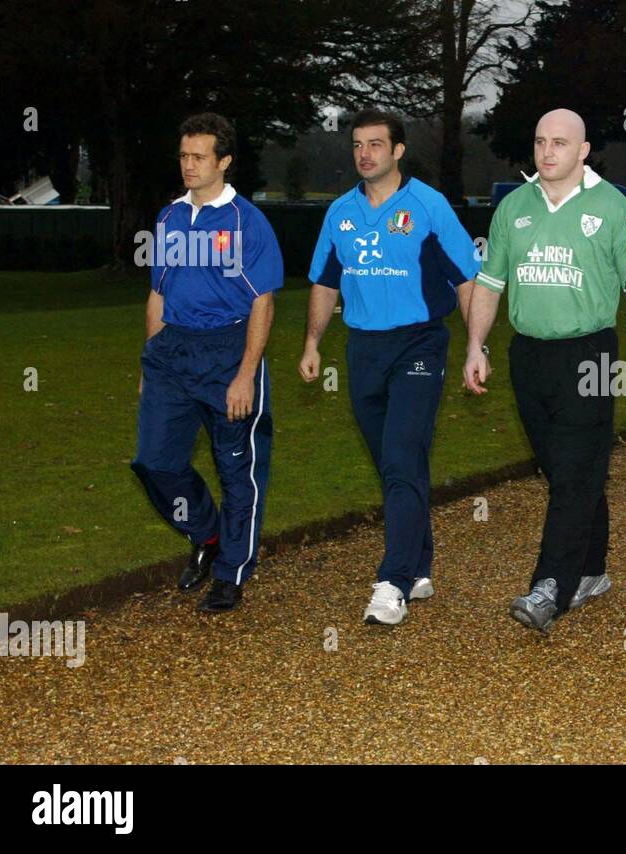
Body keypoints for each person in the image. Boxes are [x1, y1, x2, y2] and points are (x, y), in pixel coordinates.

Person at [300, 109, 480, 626]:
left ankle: (393, 581)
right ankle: (419, 563)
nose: (365, 154)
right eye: (358, 145)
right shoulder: (339, 213)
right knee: (394, 461)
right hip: (363, 349)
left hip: (419, 344)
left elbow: (468, 277)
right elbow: (324, 281)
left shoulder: (428, 205)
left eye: (376, 144)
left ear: (398, 151)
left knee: (401, 455)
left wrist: (475, 348)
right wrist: (313, 343)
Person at [464, 109, 626, 634]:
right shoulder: (513, 206)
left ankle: (549, 588)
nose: (547, 152)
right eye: (540, 141)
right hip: (529, 355)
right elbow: (490, 284)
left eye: (560, 143)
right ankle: (591, 569)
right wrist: (476, 346)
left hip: (591, 353)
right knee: (569, 471)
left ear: (583, 150)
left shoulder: (612, 207)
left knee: (574, 472)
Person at [132, 112, 283, 614]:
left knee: (236, 468)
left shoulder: (248, 222)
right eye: (183, 155)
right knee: (155, 461)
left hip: (227, 352)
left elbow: (263, 302)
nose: (188, 165)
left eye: (199, 156)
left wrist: (245, 375)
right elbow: (157, 293)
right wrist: (149, 363)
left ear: (224, 161)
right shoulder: (169, 218)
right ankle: (208, 533)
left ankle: (231, 572)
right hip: (172, 353)